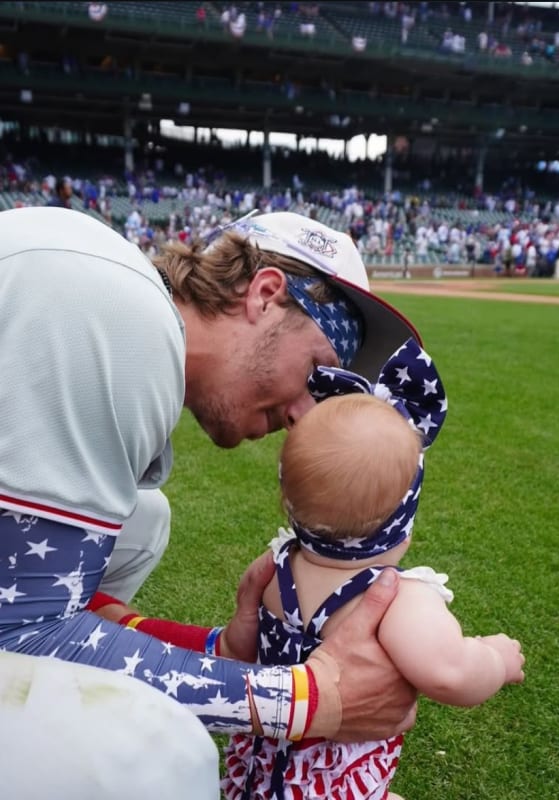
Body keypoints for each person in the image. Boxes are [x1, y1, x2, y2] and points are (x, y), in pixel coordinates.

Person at [0, 206, 420, 797]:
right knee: (160, 753)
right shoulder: (126, 319)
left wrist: (217, 651)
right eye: (317, 371)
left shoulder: (120, 299)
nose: (306, 416)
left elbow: (33, 591)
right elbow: (21, 634)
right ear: (265, 295)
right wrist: (307, 700)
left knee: (143, 522)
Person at [220, 339, 526, 800]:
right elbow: (450, 673)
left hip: (260, 772)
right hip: (327, 786)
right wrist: (495, 659)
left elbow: (240, 646)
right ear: (402, 520)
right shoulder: (397, 599)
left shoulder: (273, 570)